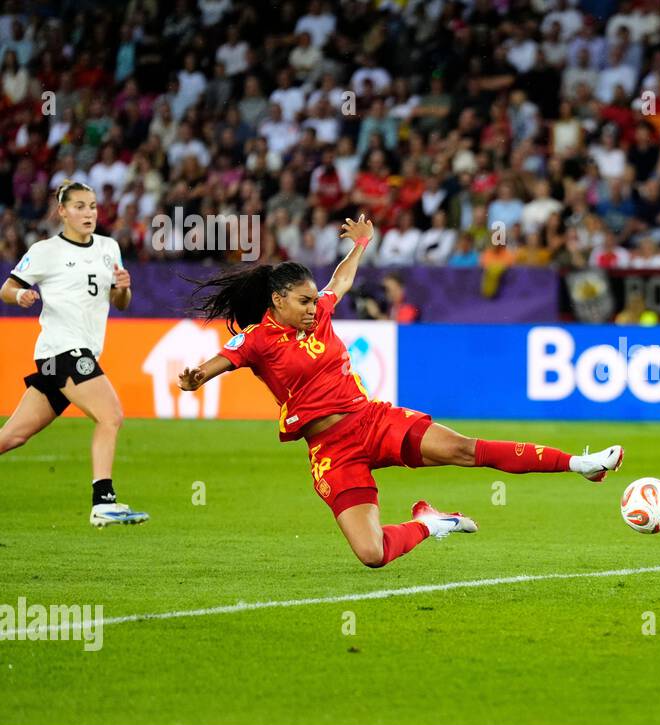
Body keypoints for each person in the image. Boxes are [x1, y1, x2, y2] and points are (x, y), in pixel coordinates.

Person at [178, 214, 623, 568]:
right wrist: (197, 377)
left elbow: (341, 282)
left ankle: (580, 464)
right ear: (277, 301)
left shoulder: (323, 313)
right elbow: (218, 364)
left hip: (372, 421)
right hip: (330, 451)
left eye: (315, 300)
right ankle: (430, 524)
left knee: (467, 450)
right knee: (372, 554)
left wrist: (360, 245)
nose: (315, 308)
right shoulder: (257, 339)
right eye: (304, 302)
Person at [0, 179, 149, 527]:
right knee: (111, 415)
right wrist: (19, 296)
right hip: (62, 349)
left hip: (79, 352)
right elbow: (8, 287)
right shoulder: (45, 251)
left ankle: (103, 503)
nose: (88, 213)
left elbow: (120, 303)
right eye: (80, 206)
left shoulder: (109, 247)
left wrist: (124, 290)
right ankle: (103, 502)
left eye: (93, 206)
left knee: (13, 436)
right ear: (62, 211)